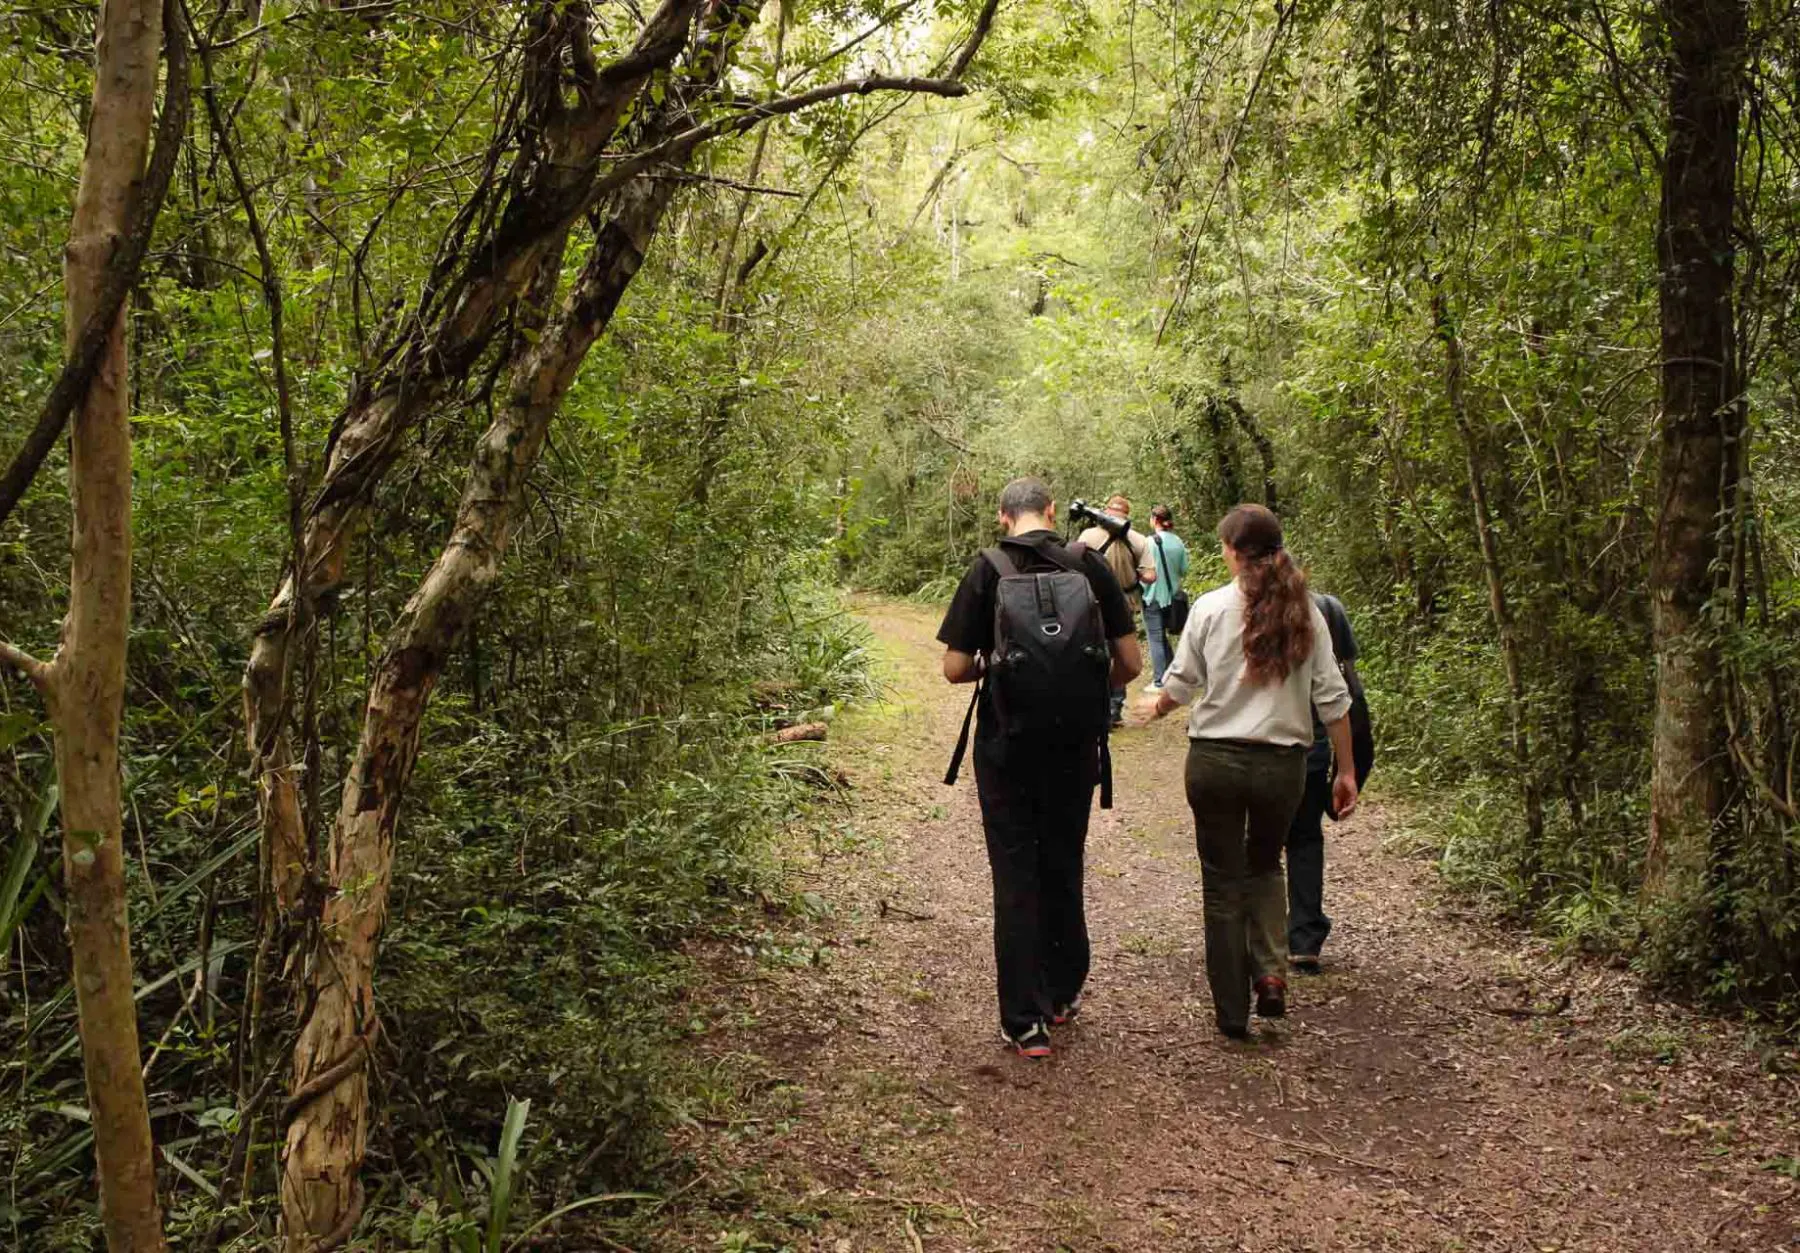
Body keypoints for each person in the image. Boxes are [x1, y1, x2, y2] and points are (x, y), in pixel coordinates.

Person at [1132, 503, 1357, 1040]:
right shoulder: (1308, 612)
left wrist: (1156, 707)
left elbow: (1183, 681)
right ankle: (1272, 972)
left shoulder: (1210, 608)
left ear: (1232, 552)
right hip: (1282, 766)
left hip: (1215, 762)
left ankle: (1232, 1012)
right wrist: (1344, 770)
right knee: (1266, 866)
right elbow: (1333, 698)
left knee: (1221, 884)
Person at [939, 477, 1141, 1058]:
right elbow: (1127, 664)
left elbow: (954, 668)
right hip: (1074, 745)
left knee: (1015, 872)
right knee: (1063, 860)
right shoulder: (1089, 563)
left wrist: (999, 664)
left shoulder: (987, 568)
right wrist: (1074, 685)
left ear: (1004, 517)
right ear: (1052, 511)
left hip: (1006, 746)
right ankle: (1062, 992)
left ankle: (1025, 1020)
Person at [1286, 592, 1361, 974]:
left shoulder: (1241, 606)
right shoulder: (1329, 608)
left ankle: (1254, 938)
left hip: (1262, 746)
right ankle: (1303, 939)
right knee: (1304, 839)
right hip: (1311, 748)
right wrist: (1350, 764)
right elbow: (1349, 687)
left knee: (1257, 846)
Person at [1077, 493, 1155, 726]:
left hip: (1092, 602)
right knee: (1120, 654)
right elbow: (1151, 576)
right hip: (1124, 604)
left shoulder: (1088, 535)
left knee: (1093, 651)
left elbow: (1074, 567)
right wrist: (1134, 572)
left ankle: (1097, 704)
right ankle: (1114, 708)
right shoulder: (1139, 539)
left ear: (1105, 511)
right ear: (1127, 514)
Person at [1142, 504, 1189, 691]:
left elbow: (1142, 571)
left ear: (1154, 520)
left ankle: (1159, 680)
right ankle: (1171, 673)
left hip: (1152, 596)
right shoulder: (1178, 542)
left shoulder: (1147, 543)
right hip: (1173, 597)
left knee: (1155, 637)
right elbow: (1185, 570)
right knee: (1162, 638)